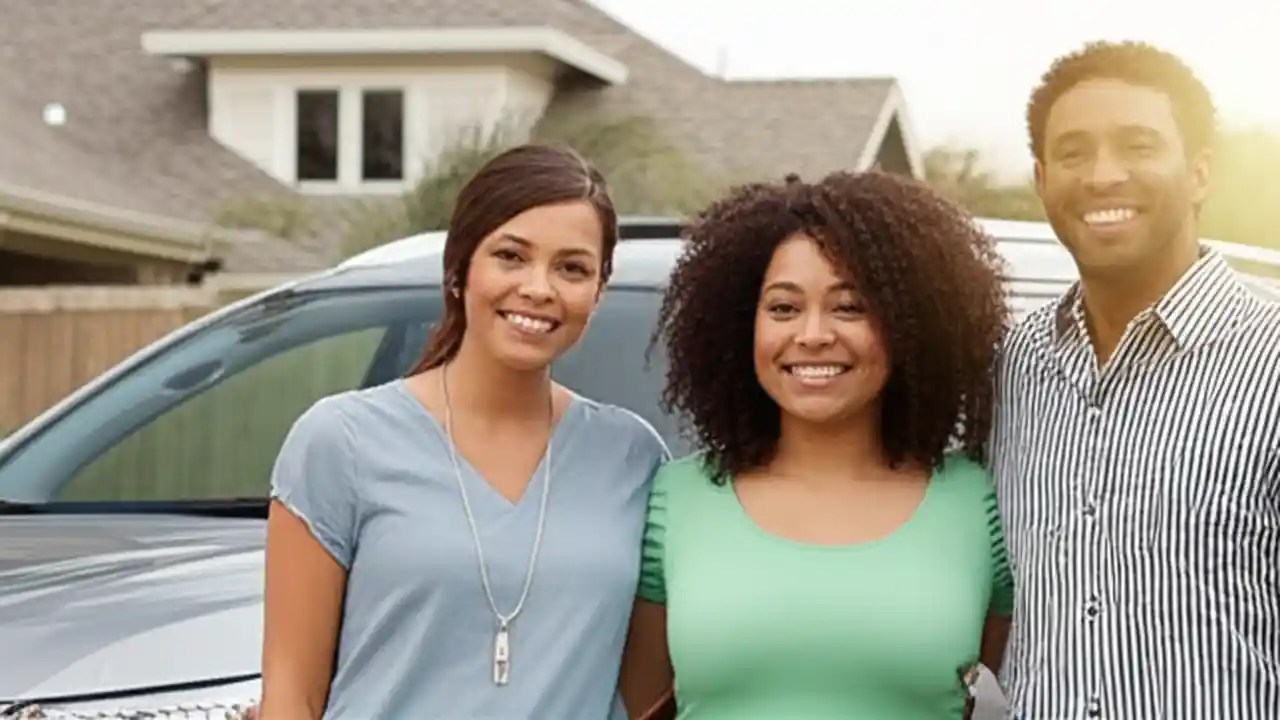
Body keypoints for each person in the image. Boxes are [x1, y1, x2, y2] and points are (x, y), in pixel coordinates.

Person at [255, 143, 668, 719]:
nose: (539, 288)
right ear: (458, 268)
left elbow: (650, 696)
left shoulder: (633, 458)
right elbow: (291, 698)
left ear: (598, 290)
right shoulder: (340, 442)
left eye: (572, 268)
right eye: (511, 256)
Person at [619, 170, 1016, 718]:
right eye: (783, 308)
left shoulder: (976, 502)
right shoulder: (676, 497)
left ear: (911, 323)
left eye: (849, 307)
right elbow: (643, 703)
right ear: (740, 325)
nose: (811, 335)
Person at [991, 40, 1280, 718]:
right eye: (1072, 154)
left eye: (1139, 146)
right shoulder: (1011, 368)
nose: (1103, 176)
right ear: (1041, 180)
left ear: (1200, 173)